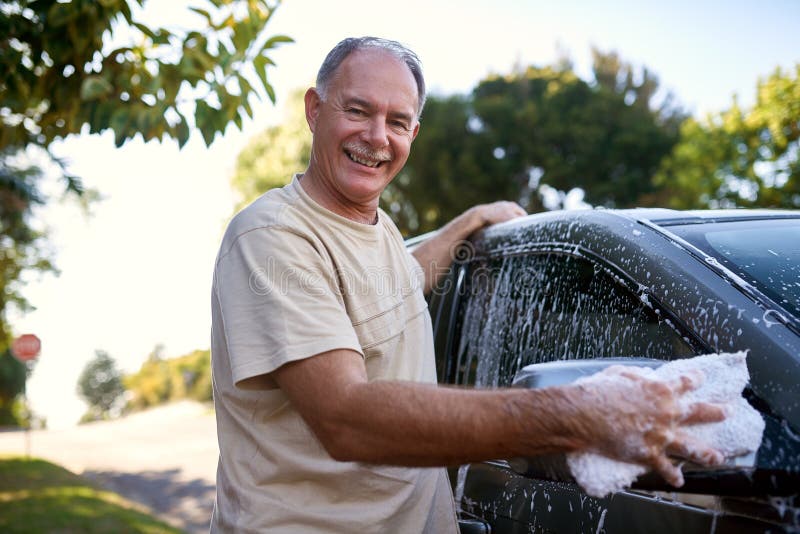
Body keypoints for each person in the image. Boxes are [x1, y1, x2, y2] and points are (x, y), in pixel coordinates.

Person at [209, 36, 726, 533]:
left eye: (397, 121)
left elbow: (400, 286)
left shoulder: (376, 227)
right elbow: (346, 418)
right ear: (315, 109)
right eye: (357, 110)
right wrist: (577, 413)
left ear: (413, 134)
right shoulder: (273, 235)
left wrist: (469, 223)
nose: (376, 137)